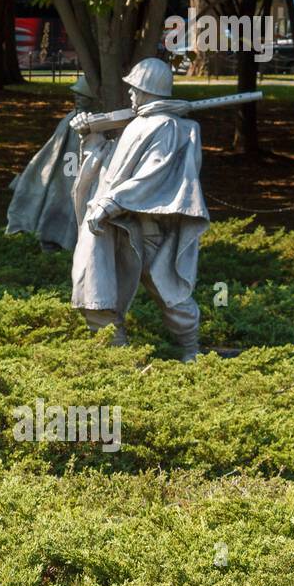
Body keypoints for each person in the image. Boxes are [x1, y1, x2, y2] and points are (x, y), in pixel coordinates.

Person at [70, 58, 207, 362]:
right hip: (118, 225)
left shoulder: (168, 126)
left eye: (135, 87)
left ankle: (191, 351)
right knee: (104, 288)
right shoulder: (139, 123)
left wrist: (110, 203)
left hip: (147, 228)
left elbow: (153, 174)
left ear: (147, 89)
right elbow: (111, 167)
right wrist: (90, 136)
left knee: (167, 290)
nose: (130, 92)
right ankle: (117, 357)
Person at [5, 76, 98, 251]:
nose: (77, 98)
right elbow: (56, 148)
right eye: (76, 95)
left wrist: (73, 173)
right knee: (53, 201)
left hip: (76, 173)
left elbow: (79, 153)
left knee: (72, 207)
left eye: (82, 96)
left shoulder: (93, 123)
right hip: (63, 172)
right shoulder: (71, 119)